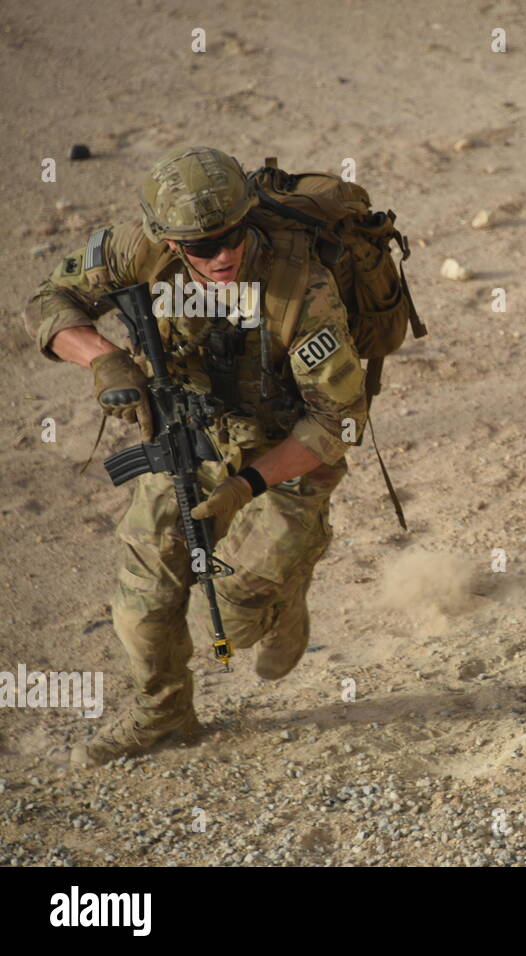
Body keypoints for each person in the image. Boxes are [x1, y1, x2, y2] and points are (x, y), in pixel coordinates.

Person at [25, 145, 368, 767]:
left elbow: (338, 421)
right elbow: (48, 303)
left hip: (286, 457)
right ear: (170, 240)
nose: (223, 256)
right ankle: (165, 715)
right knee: (142, 606)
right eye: (203, 247)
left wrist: (248, 486)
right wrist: (102, 358)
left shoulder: (301, 288)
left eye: (232, 236)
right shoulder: (139, 252)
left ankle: (286, 594)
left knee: (233, 621)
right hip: (188, 442)